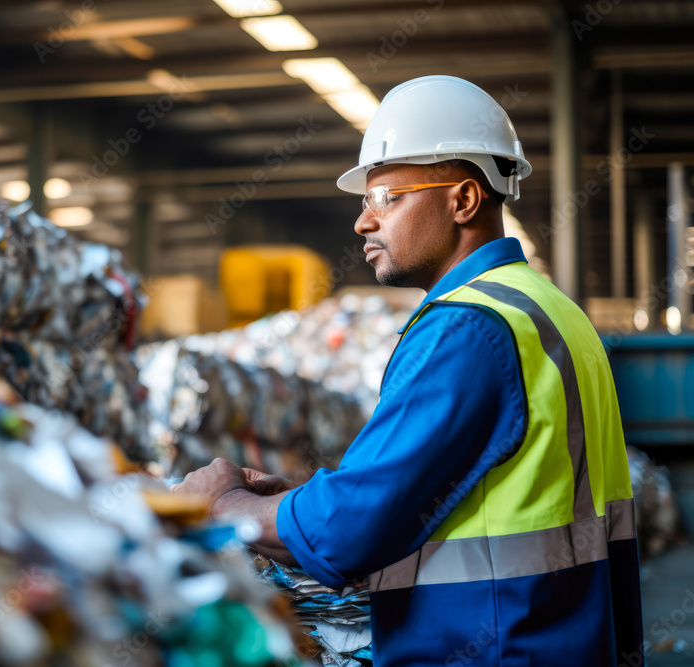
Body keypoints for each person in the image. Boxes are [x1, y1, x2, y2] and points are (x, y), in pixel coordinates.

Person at [170, 75, 643, 666]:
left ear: (464, 200)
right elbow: (474, 492)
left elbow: (345, 534)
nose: (363, 224)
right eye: (363, 202)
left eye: (385, 198)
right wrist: (301, 495)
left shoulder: (467, 328)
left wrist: (222, 505)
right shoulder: (547, 310)